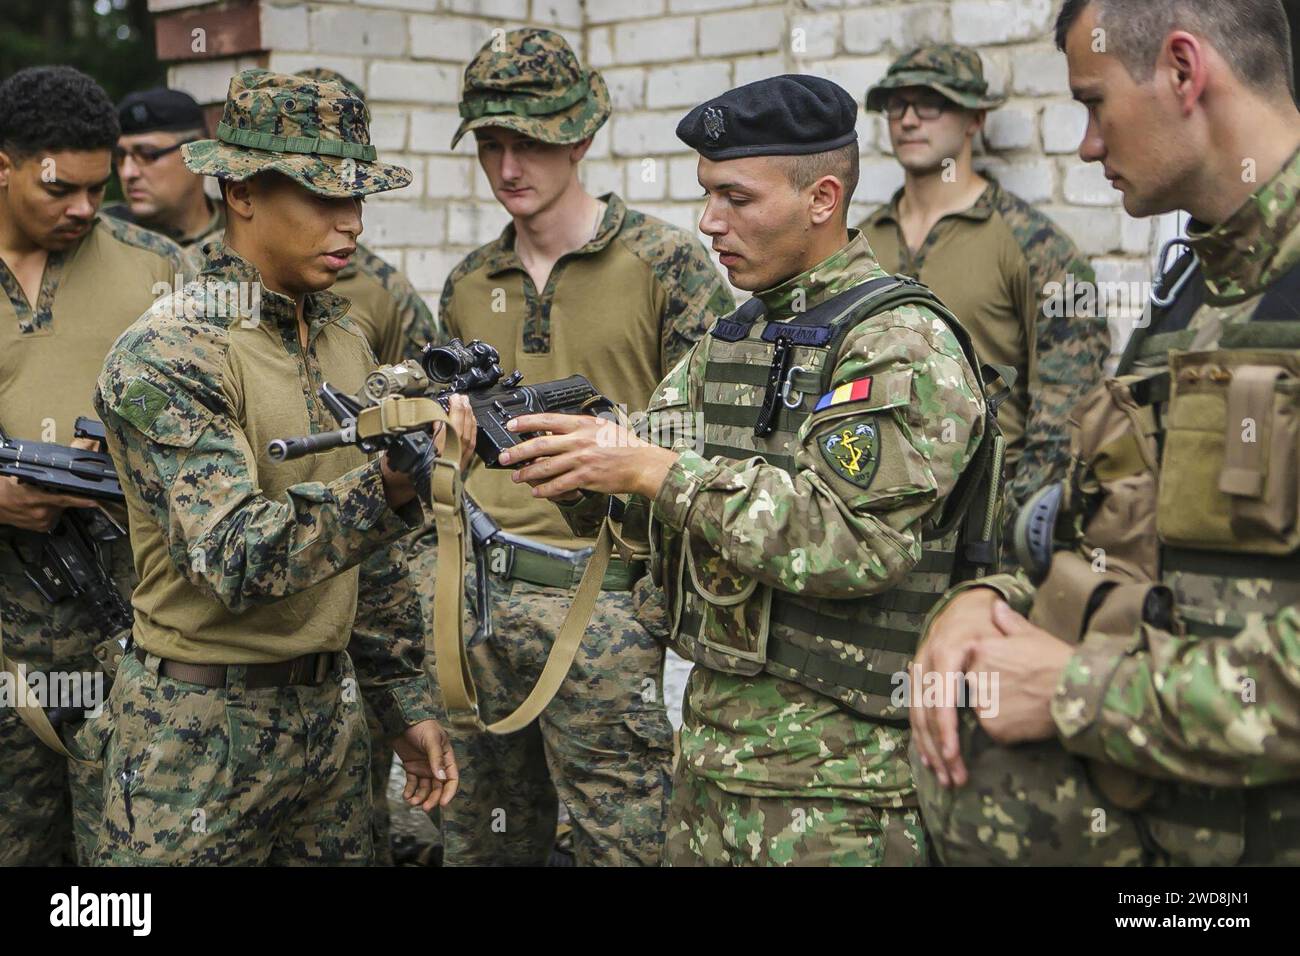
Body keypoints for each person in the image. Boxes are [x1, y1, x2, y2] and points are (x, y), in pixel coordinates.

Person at [502, 74, 988, 866]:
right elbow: (648, 506)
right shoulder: (737, 337)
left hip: (842, 786)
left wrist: (653, 470)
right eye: (706, 195)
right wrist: (569, 465)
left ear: (822, 198)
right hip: (714, 763)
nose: (709, 222)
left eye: (736, 197)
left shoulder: (897, 341)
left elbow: (855, 538)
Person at [910, 0, 1300, 866]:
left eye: (1093, 103)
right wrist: (991, 600)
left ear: (1184, 70)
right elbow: (1115, 539)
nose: (1087, 143)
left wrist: (1079, 693)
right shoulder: (1192, 295)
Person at [90, 69, 468, 865]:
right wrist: (392, 484)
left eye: (358, 199)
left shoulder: (342, 336)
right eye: (324, 198)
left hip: (329, 729)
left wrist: (401, 702)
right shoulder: (169, 350)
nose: (351, 223)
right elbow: (231, 556)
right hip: (191, 741)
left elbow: (382, 561)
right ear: (240, 191)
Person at [421, 27, 732, 867]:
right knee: (481, 839)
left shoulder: (668, 263)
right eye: (492, 145)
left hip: (606, 602)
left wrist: (616, 443)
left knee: (622, 843)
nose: (510, 167)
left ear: (582, 139)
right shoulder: (468, 281)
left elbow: (719, 436)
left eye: (532, 143)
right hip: (477, 599)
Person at [0, 66, 186, 866]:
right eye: (58, 190)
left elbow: (224, 417)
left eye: (95, 186)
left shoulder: (159, 269)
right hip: (7, 642)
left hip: (132, 633)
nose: (83, 208)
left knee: (126, 861)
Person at [861, 44, 1110, 551]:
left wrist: (1011, 526)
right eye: (896, 104)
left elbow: (1070, 405)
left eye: (930, 103)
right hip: (867, 521)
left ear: (975, 117)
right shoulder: (861, 243)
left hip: (979, 530)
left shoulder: (1036, 246)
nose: (908, 120)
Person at [104, 88, 223, 264]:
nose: (128, 172)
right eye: (120, 156)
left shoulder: (244, 233)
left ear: (198, 154)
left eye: (148, 154)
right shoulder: (102, 234)